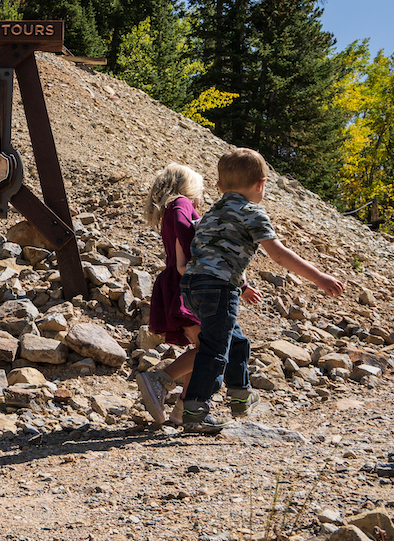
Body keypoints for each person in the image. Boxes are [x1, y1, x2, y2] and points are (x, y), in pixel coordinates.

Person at [179, 148, 344, 433]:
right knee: (215, 349)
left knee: (235, 341)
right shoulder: (251, 211)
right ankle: (195, 409)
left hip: (192, 286)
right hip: (220, 288)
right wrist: (318, 277)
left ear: (219, 186)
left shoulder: (212, 212)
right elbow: (277, 254)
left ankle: (240, 394)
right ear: (261, 184)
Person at [136, 165, 264, 424]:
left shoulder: (171, 207)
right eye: (200, 188)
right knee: (210, 348)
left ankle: (183, 411)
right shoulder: (180, 203)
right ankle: (160, 380)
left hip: (182, 281)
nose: (202, 195)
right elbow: (189, 235)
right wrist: (198, 253)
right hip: (190, 282)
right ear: (188, 186)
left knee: (204, 347)